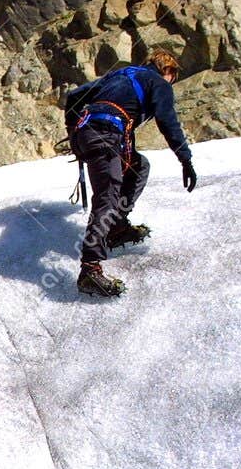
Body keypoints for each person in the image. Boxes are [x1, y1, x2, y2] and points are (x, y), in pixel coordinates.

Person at [65, 47, 198, 298]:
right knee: (107, 196)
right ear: (168, 70)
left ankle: (115, 226)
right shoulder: (158, 82)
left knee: (138, 167)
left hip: (89, 133)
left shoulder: (121, 74)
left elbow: (74, 97)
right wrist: (185, 159)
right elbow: (167, 120)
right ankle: (89, 269)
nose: (171, 83)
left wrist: (74, 132)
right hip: (105, 134)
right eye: (172, 78)